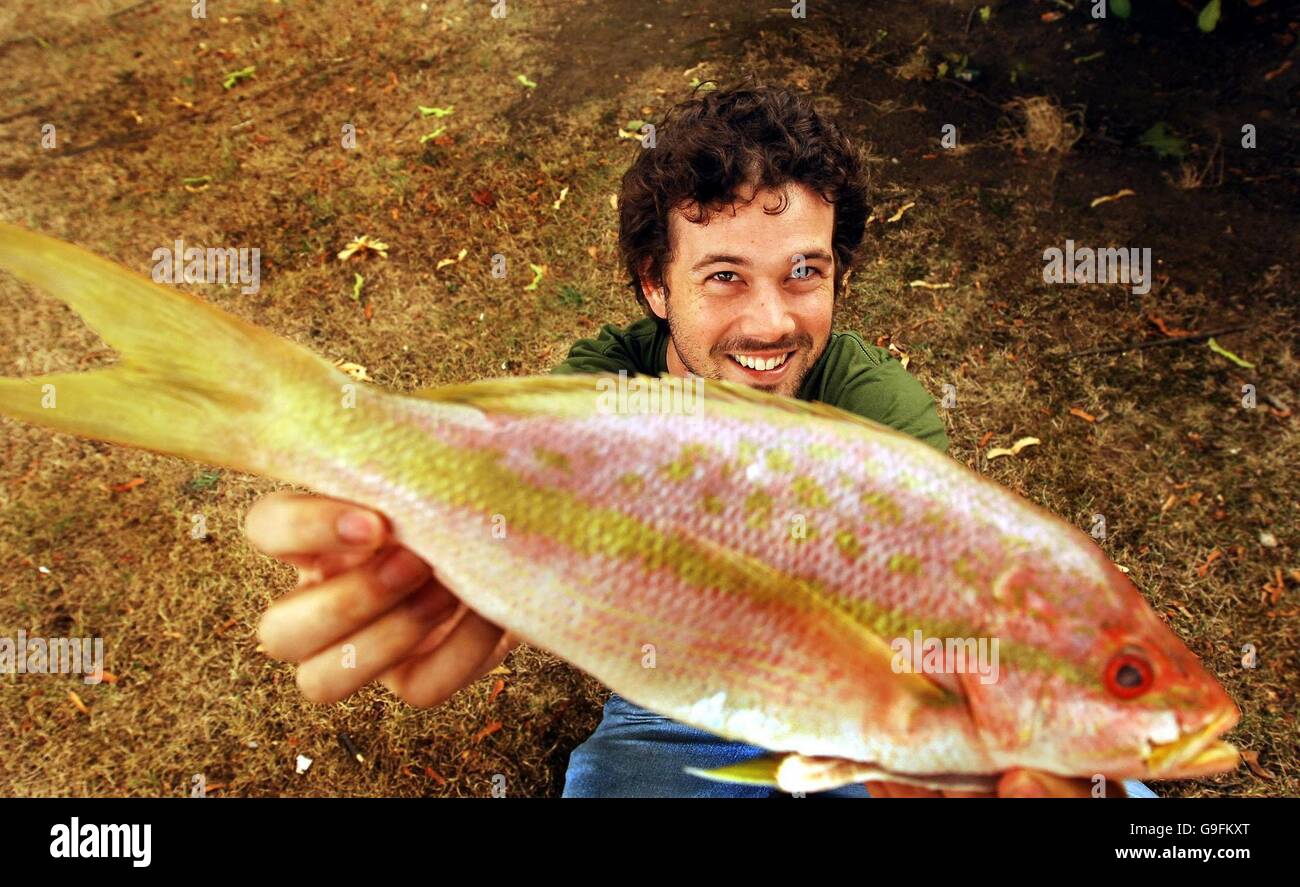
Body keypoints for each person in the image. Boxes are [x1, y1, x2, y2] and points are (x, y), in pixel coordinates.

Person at [247, 85, 1154, 798]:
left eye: (806, 271)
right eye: (724, 276)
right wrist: (462, 548)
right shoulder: (598, 389)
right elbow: (526, 517)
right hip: (670, 702)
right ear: (654, 284)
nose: (771, 322)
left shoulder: (888, 417)